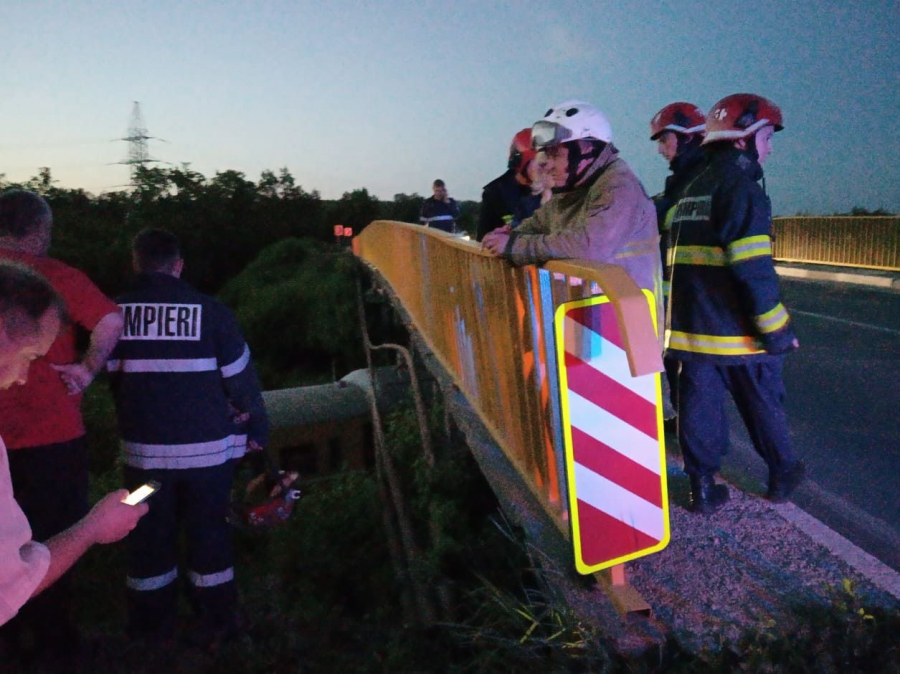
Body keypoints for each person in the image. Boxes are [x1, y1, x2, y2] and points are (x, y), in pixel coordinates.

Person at [106, 228, 269, 644]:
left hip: (142, 467)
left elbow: (105, 378)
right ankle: (217, 624)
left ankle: (149, 629)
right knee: (210, 530)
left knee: (144, 531)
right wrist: (257, 430)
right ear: (178, 266)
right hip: (208, 463)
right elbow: (243, 387)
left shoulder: (111, 316)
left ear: (135, 263)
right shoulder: (212, 312)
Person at [665, 93, 804, 514]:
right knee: (763, 405)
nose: (770, 146)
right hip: (738, 333)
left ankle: (702, 489)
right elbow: (753, 272)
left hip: (690, 332)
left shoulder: (688, 189)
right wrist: (777, 332)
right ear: (744, 139)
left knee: (698, 410)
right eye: (766, 136)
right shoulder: (741, 190)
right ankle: (782, 475)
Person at [0, 189, 124, 658]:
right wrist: (87, 369)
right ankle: (54, 640)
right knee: (54, 535)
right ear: (39, 230)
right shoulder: (51, 278)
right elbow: (111, 321)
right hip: (51, 436)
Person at [0, 260, 146, 631]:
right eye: (30, 357)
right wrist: (94, 527)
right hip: (53, 447)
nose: (22, 379)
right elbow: (9, 584)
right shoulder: (60, 274)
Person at [482, 100, 663, 327]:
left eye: (555, 154)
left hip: (626, 332)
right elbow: (541, 221)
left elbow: (590, 246)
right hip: (590, 322)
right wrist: (513, 234)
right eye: (546, 155)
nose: (546, 165)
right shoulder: (575, 188)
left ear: (586, 149)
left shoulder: (618, 186)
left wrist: (513, 246)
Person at [649, 102, 708, 419]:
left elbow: (670, 217)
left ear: (686, 137)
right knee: (683, 381)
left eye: (664, 140)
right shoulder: (685, 181)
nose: (661, 150)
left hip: (693, 306)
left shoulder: (699, 183)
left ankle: (697, 454)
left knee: (695, 387)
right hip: (678, 303)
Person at [476, 128, 543, 241]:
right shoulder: (495, 193)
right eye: (540, 163)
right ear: (521, 161)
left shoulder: (550, 190)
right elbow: (483, 239)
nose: (546, 168)